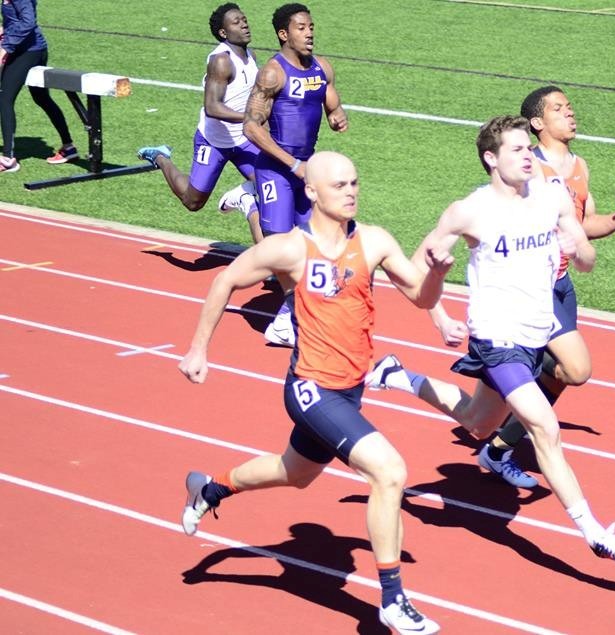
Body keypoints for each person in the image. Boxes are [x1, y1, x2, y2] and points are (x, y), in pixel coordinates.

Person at [178, 151, 446, 634]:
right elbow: (226, 280)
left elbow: (422, 297)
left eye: (355, 182)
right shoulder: (291, 249)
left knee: (294, 473)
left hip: (350, 390)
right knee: (390, 472)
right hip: (309, 387)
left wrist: (439, 273)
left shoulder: (376, 241)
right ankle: (392, 600)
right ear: (313, 192)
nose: (351, 191)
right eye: (340, 184)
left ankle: (209, 488)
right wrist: (199, 349)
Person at [366, 115, 615, 563]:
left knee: (479, 422)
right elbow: (412, 273)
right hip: (497, 336)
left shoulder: (552, 197)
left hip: (537, 332)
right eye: (517, 150)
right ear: (490, 159)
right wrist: (439, 315)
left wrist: (579, 250)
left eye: (529, 149)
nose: (529, 157)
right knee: (545, 430)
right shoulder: (469, 210)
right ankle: (594, 532)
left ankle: (399, 377)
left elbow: (588, 261)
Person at [431, 87, 615, 489]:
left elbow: (582, 228)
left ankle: (499, 441)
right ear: (537, 123)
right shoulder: (531, 169)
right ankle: (505, 398)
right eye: (558, 108)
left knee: (561, 374)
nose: (570, 113)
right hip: (533, 288)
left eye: (569, 107)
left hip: (563, 283)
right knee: (575, 368)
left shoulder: (579, 166)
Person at [242, 3, 348, 347]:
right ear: (284, 34)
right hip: (276, 169)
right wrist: (292, 164)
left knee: (316, 242)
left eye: (312, 26)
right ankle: (250, 204)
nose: (310, 33)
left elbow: (331, 102)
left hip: (308, 169)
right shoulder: (273, 73)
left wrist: (337, 116)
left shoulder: (322, 68)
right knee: (279, 245)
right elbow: (251, 128)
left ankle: (289, 319)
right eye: (302, 28)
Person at [137, 3, 263, 243]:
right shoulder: (221, 61)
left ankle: (246, 201)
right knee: (192, 202)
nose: (244, 24)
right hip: (213, 141)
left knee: (271, 187)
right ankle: (161, 158)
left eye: (244, 19)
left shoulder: (251, 57)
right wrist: (250, 119)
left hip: (244, 139)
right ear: (223, 33)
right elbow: (212, 107)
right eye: (236, 22)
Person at [0, 0, 77, 173]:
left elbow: (28, 21)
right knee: (41, 98)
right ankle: (69, 147)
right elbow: (17, 19)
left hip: (28, 52)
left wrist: (5, 47)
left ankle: (8, 159)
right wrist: (4, 30)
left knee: (4, 99)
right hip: (30, 49)